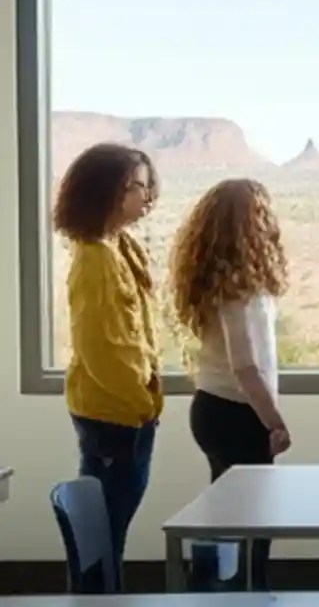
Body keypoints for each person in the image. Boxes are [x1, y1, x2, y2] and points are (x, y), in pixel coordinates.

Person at [170, 179, 290, 590]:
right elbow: (245, 367)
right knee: (252, 521)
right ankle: (246, 595)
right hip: (234, 411)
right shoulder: (239, 287)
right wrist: (275, 422)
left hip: (216, 407)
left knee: (231, 518)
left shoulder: (224, 281)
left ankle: (223, 593)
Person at [53, 143, 163, 582]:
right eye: (135, 187)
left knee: (111, 531)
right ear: (106, 192)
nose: (147, 196)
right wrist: (140, 407)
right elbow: (104, 350)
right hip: (115, 417)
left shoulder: (118, 246)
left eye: (146, 185)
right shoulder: (97, 258)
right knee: (102, 535)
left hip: (126, 411)